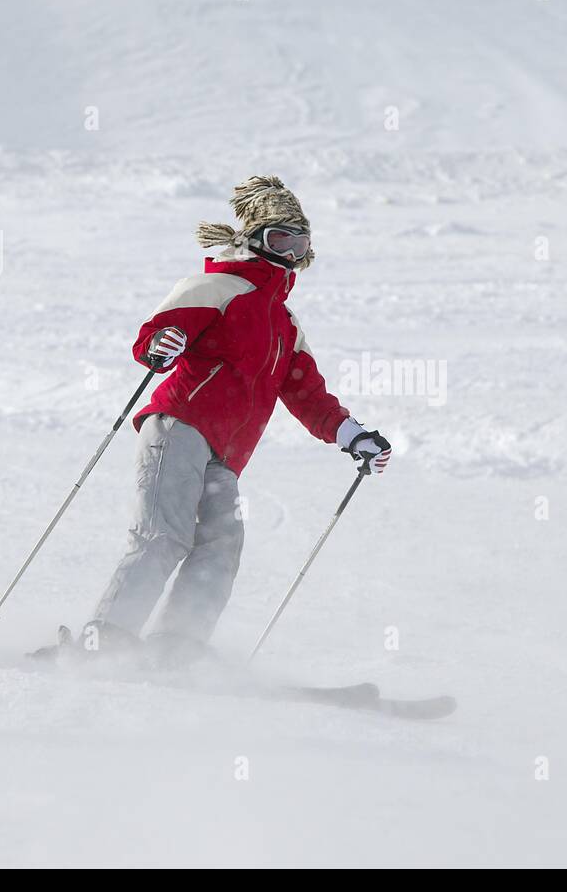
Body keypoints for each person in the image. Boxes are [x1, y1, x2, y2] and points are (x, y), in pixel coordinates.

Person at [87, 175, 390, 659]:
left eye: (300, 242)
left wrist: (352, 435)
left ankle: (176, 647)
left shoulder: (285, 325)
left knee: (221, 545)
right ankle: (106, 639)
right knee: (163, 533)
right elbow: (157, 332)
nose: (289, 251)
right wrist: (158, 348)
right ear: (253, 240)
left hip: (227, 455)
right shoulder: (217, 285)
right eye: (279, 239)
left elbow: (308, 394)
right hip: (180, 427)